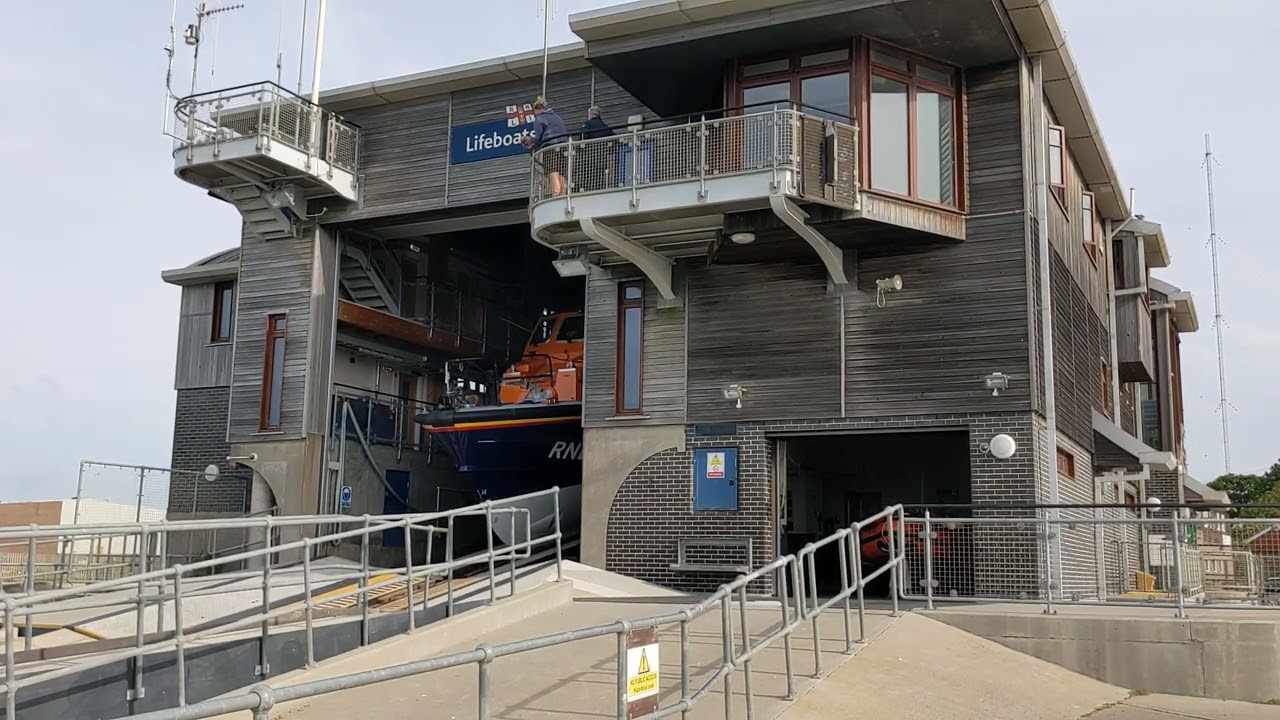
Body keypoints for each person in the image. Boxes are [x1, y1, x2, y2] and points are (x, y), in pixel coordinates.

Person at [522, 97, 569, 196]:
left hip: (550, 146)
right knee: (562, 172)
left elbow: (538, 138)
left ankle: (555, 194)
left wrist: (529, 140)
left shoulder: (539, 119)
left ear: (536, 110)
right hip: (564, 145)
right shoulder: (556, 116)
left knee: (552, 170)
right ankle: (563, 194)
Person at [579, 107, 615, 192]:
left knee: (589, 176)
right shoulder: (604, 126)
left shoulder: (588, 124)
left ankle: (589, 190)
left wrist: (580, 150)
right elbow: (614, 137)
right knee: (600, 176)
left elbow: (583, 138)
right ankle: (599, 189)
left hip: (590, 155)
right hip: (602, 157)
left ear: (590, 114)